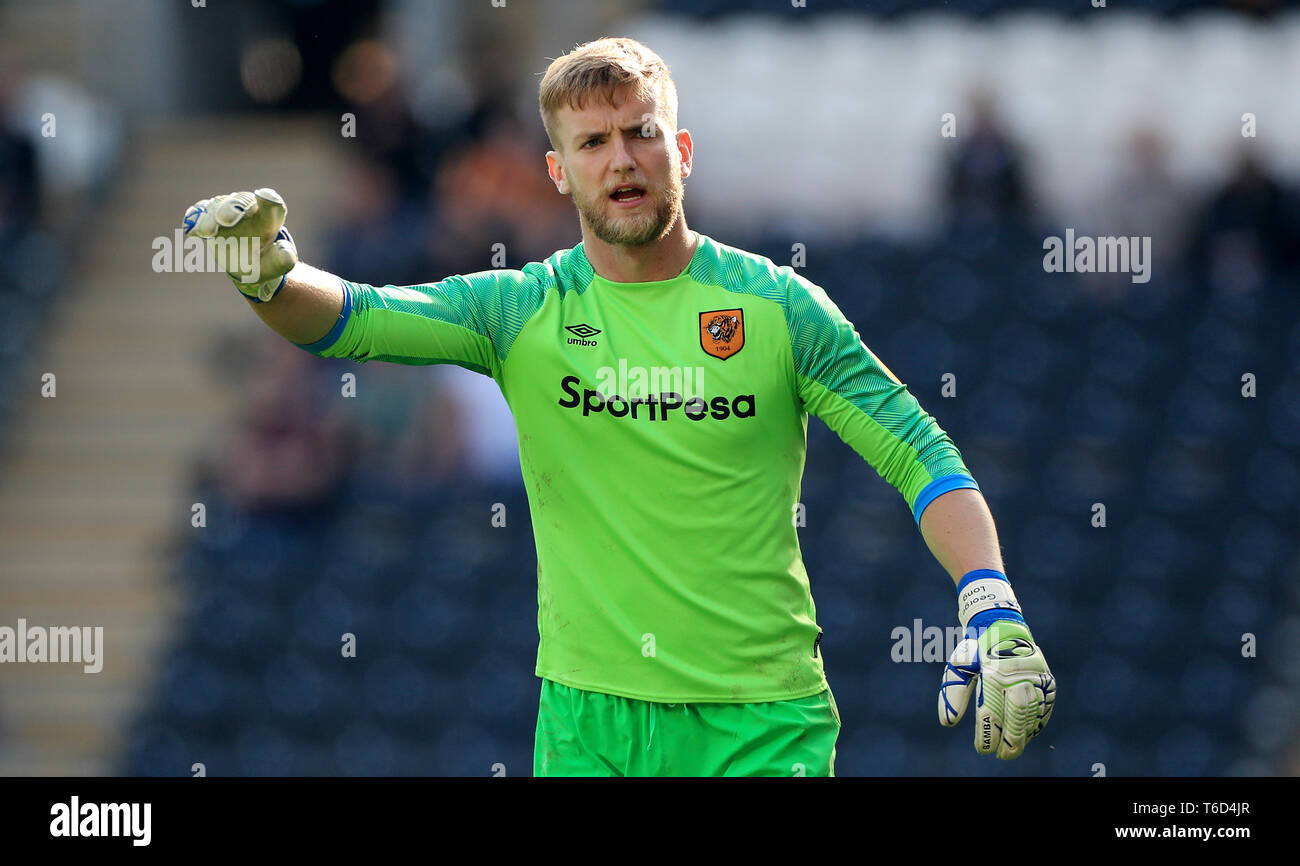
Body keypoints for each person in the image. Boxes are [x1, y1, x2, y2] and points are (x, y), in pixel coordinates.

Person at [181, 37, 1054, 777]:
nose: (622, 159)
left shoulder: (781, 309)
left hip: (759, 721)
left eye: (640, 134)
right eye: (593, 142)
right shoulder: (519, 310)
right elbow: (352, 319)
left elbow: (918, 449)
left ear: (681, 148)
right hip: (586, 726)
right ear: (559, 172)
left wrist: (990, 597)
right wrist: (268, 274)